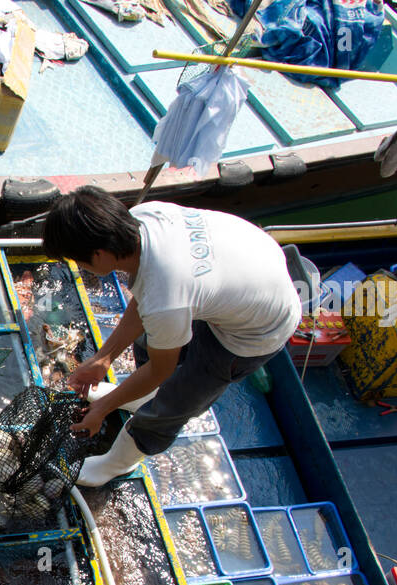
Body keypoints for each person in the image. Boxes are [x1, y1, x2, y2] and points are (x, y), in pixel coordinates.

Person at [42, 186, 301, 486]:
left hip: (256, 329)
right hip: (240, 276)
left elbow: (160, 363)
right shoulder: (143, 218)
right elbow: (146, 296)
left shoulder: (166, 298)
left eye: (79, 261)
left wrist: (102, 408)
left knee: (176, 401)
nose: (80, 267)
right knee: (151, 343)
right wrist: (103, 358)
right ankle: (142, 397)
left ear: (99, 254)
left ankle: (115, 464)